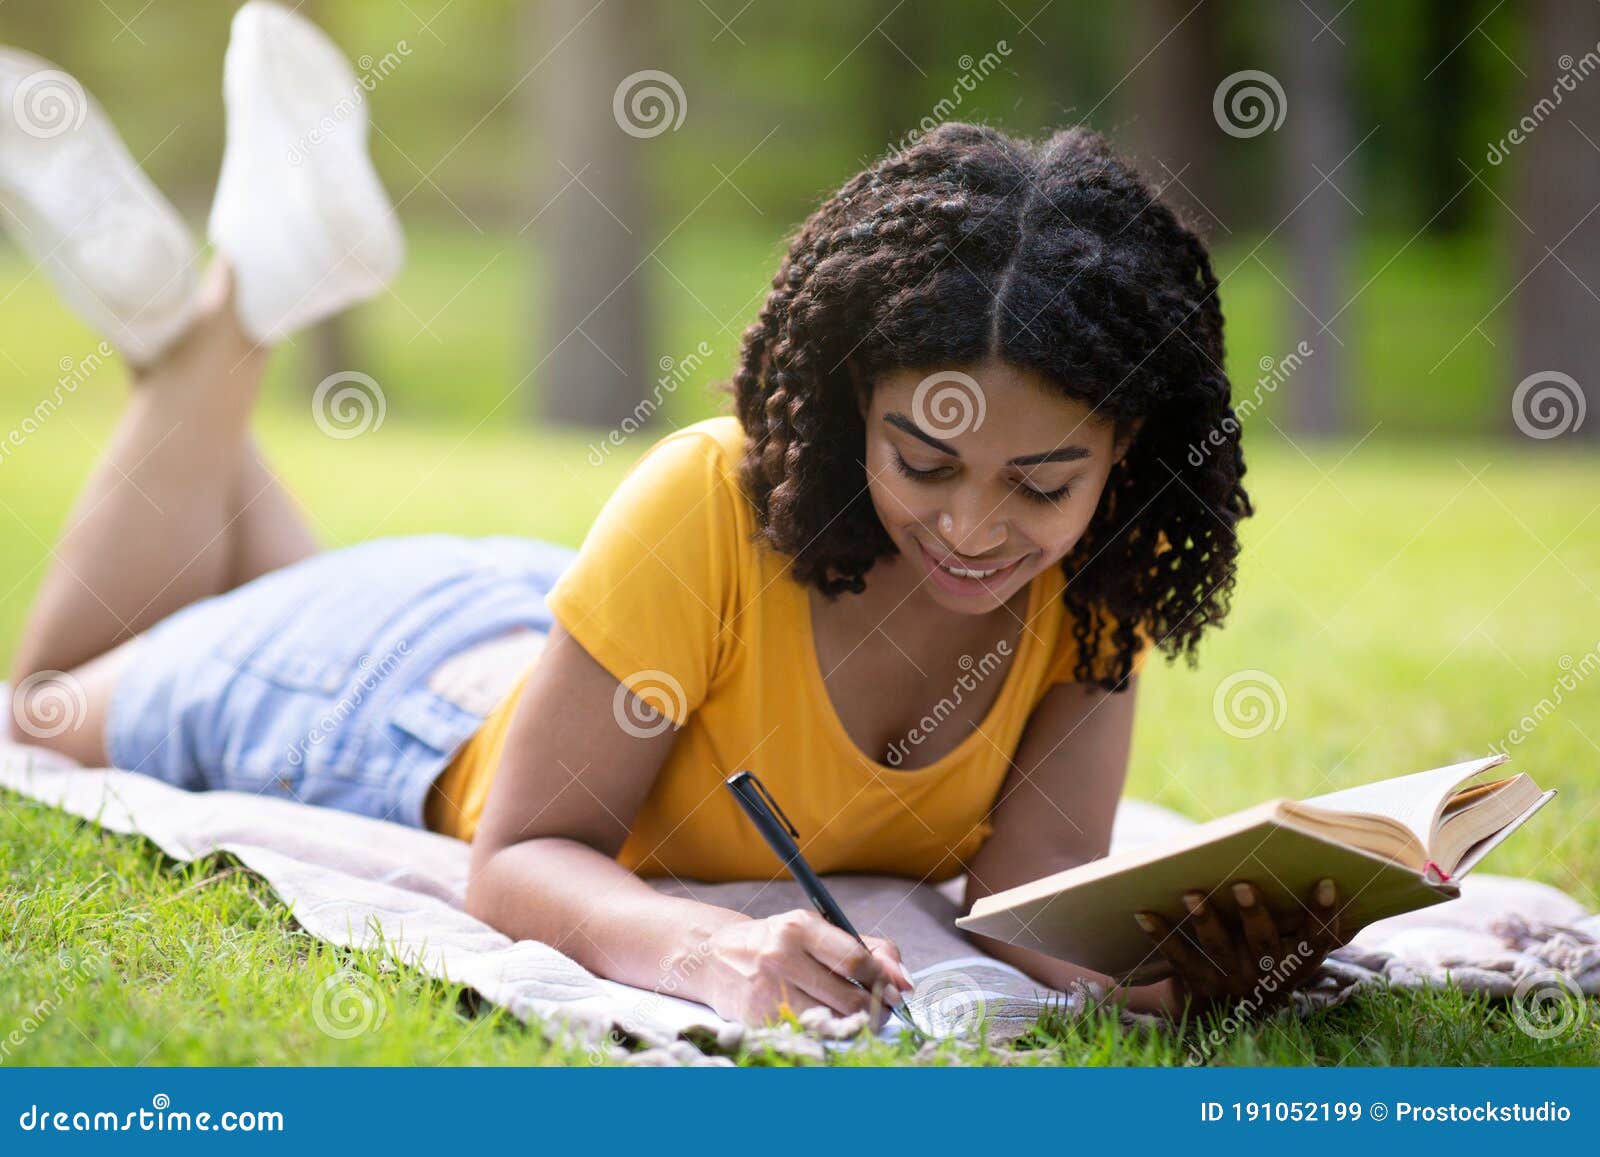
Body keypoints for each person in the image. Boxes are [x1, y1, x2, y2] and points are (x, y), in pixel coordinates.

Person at [2, 2, 1348, 1031]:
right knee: (42, 706)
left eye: (1041, 485)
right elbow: (518, 854)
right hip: (385, 692)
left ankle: (208, 319)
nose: (975, 529)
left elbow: (1029, 887)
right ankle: (232, 310)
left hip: (538, 627)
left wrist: (1175, 967)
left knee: (225, 577)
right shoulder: (710, 493)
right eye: (924, 462)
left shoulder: (1100, 574)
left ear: (1126, 457)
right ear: (851, 398)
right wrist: (709, 949)